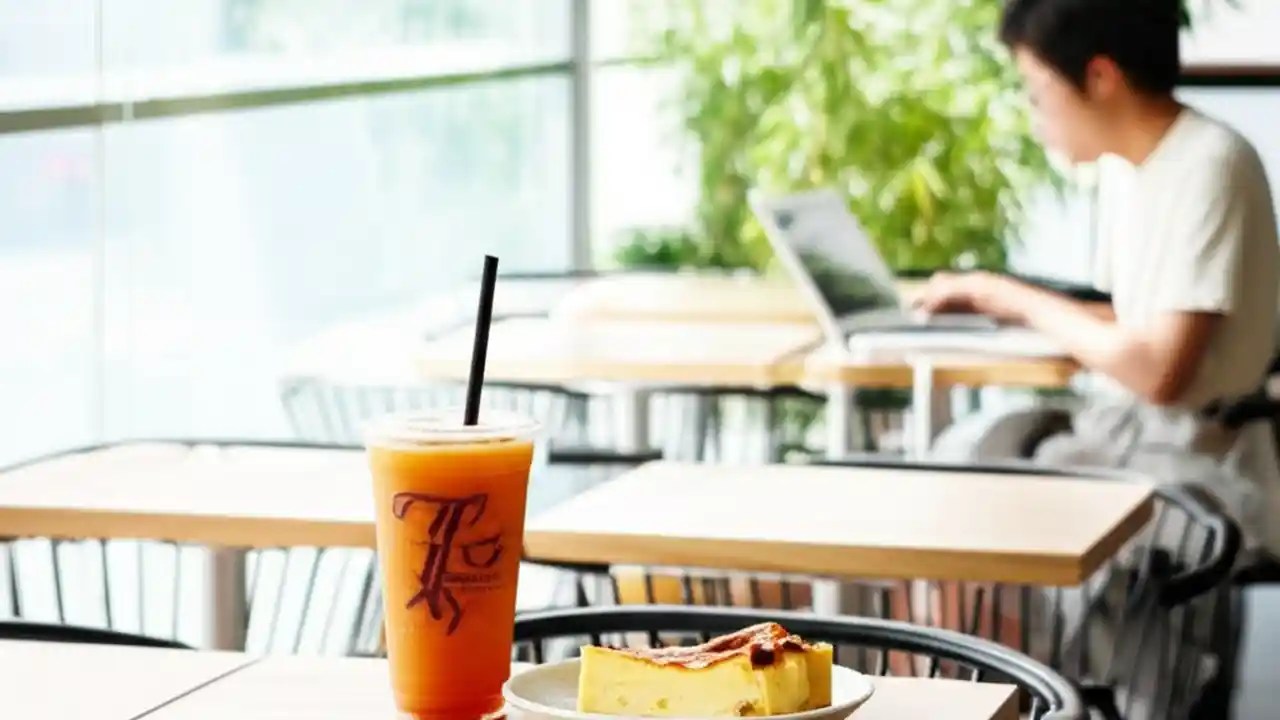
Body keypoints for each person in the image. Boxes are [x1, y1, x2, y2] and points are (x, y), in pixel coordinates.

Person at [917, 0, 1280, 560]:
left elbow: (1161, 370)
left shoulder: (1212, 164)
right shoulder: (1128, 169)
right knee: (957, 457)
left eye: (1036, 89)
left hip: (1201, 465)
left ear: (1101, 77)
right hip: (1128, 438)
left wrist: (1009, 296)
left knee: (980, 508)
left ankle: (980, 649)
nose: (1032, 109)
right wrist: (1001, 309)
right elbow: (1134, 321)